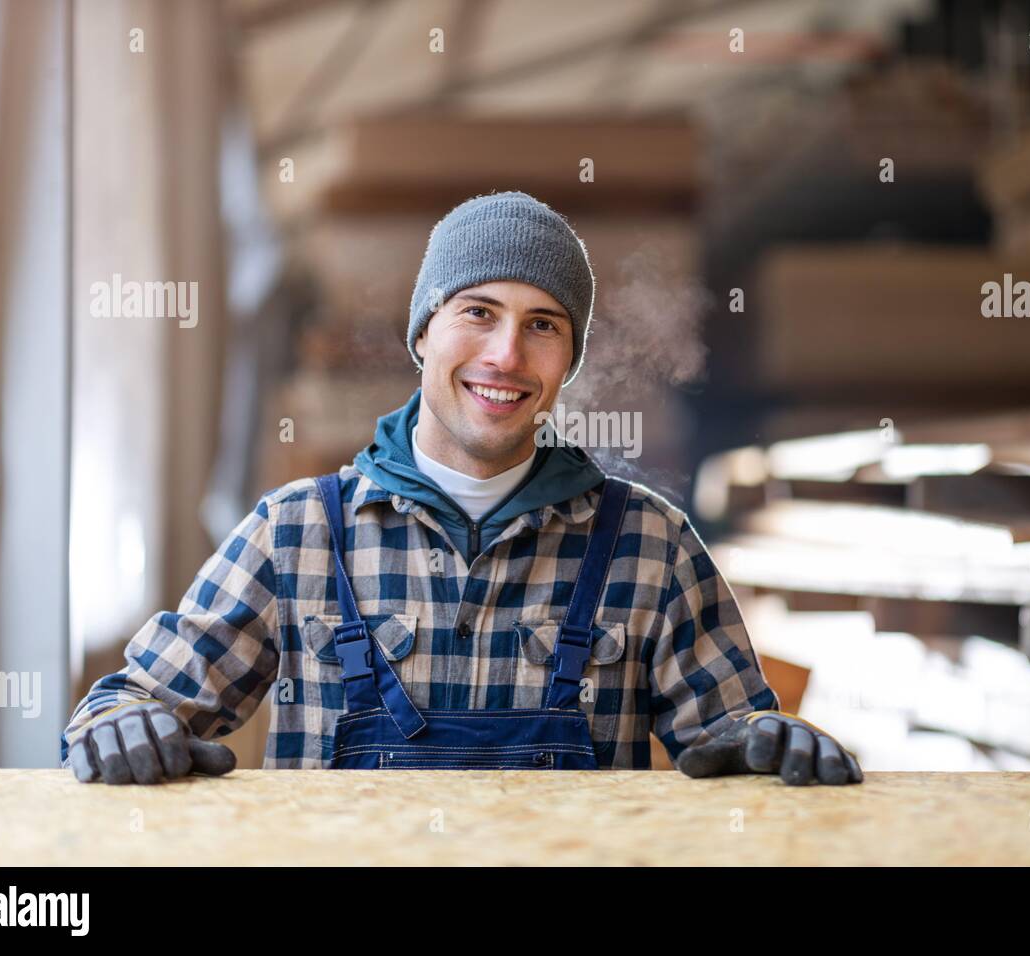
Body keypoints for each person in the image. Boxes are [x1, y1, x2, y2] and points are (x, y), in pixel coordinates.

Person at [61, 190, 863, 788]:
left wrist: (771, 743)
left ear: (567, 361)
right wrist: (121, 724)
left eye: (543, 324)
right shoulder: (298, 532)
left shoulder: (648, 545)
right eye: (478, 312)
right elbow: (133, 701)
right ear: (424, 333)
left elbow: (732, 732)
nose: (507, 354)